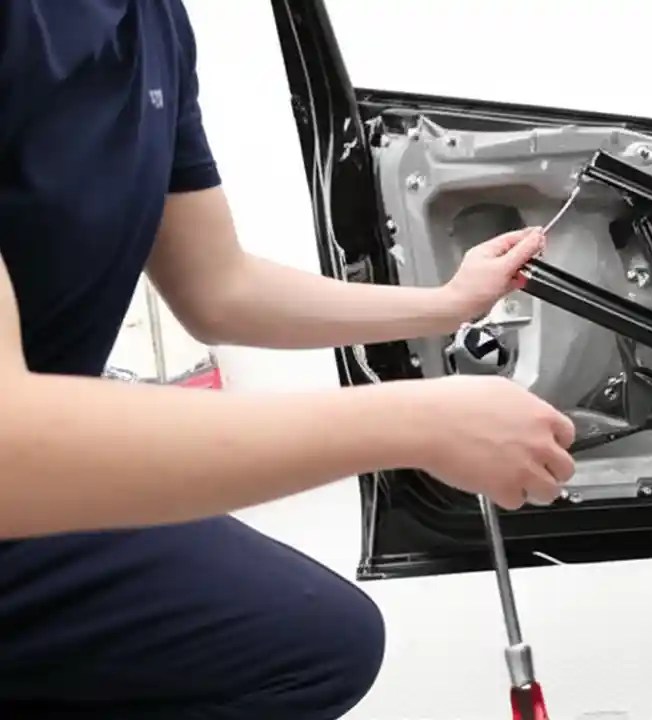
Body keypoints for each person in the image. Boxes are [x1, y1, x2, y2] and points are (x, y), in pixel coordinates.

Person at [0, 1, 576, 717]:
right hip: (19, 471)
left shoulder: (156, 25)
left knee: (317, 643)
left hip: (32, 485)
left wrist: (446, 304)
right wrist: (412, 422)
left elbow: (220, 287)